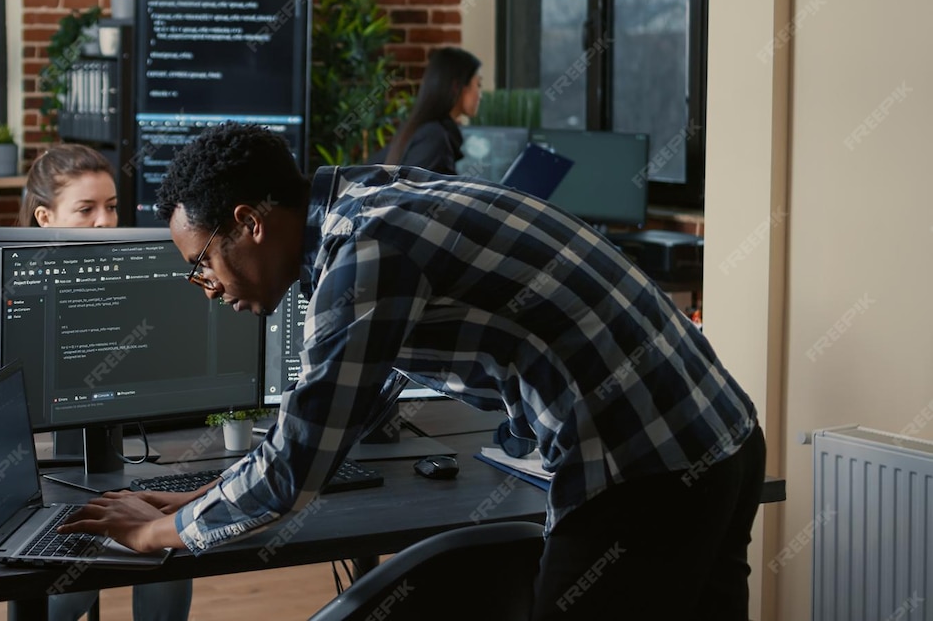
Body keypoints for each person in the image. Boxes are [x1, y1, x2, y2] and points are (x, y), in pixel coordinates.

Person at [61, 122, 765, 621]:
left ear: (249, 223)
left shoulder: (366, 250)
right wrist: (197, 499)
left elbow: (294, 470)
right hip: (719, 434)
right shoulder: (372, 201)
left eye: (200, 262)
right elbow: (358, 398)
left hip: (643, 466)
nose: (204, 285)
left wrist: (160, 532)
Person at [21, 143, 194, 621]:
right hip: (51, 475)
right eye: (86, 209)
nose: (105, 221)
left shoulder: (140, 280)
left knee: (171, 549)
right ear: (44, 217)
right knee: (72, 567)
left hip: (125, 466)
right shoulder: (23, 296)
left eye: (112, 207)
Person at [373, 46, 482, 174]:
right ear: (456, 86)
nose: (480, 95)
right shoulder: (434, 138)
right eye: (478, 84)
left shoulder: (421, 130)